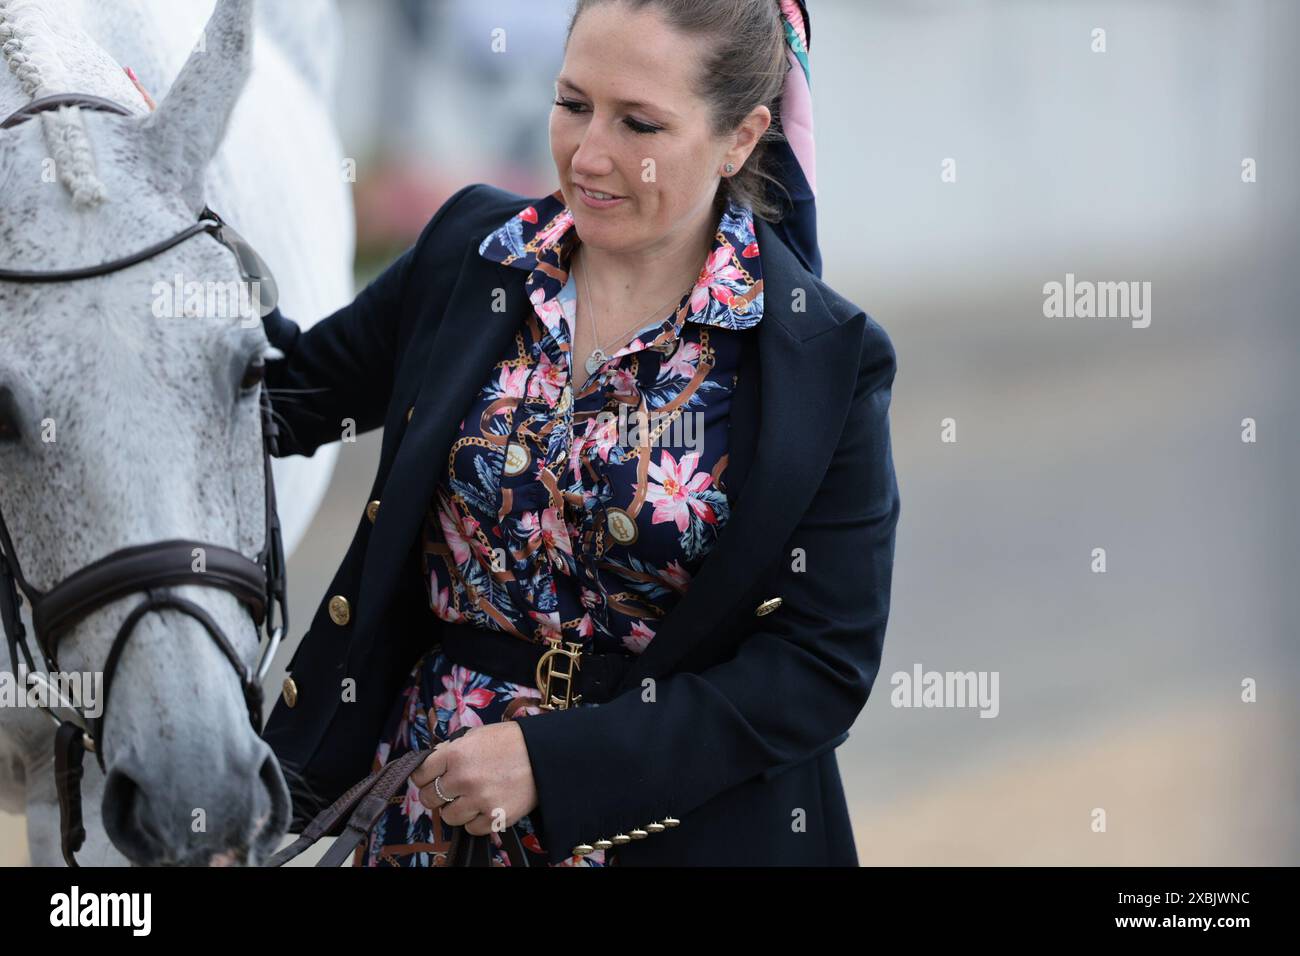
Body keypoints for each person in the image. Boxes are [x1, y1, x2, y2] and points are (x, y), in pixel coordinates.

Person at [261, 0, 899, 867]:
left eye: (639, 122)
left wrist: (549, 765)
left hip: (680, 837)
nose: (589, 155)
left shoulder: (822, 357)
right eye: (571, 104)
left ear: (741, 138)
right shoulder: (472, 256)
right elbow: (282, 400)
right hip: (424, 826)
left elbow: (817, 668)